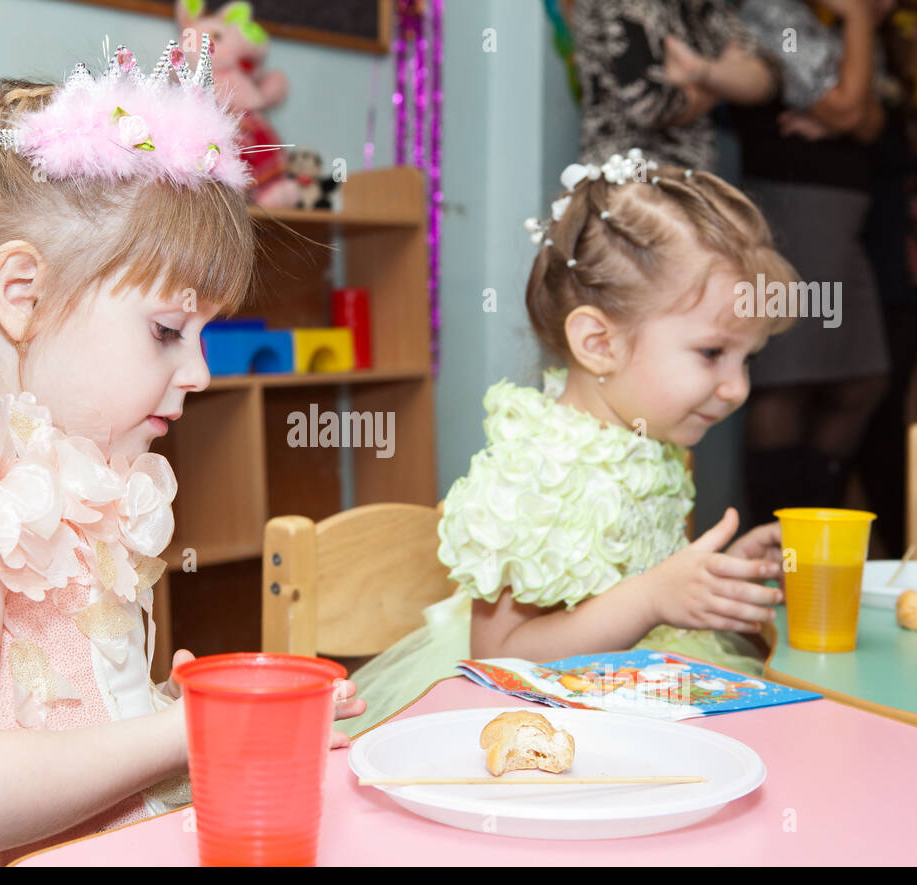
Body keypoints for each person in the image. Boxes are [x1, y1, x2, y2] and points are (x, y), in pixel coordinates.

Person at [0, 37, 362, 866]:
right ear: (21, 296)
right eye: (168, 331)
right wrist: (177, 736)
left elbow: (63, 723)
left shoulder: (77, 485)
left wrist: (169, 710)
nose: (199, 371)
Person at [339, 151, 796, 736]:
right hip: (539, 721)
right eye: (712, 353)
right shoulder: (535, 471)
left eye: (747, 358)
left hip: (639, 696)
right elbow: (498, 657)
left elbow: (628, 578)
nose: (737, 388)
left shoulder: (650, 442)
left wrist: (711, 577)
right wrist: (653, 600)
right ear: (599, 344)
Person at [721, 0, 892, 524]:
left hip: (841, 219)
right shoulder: (770, 10)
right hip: (796, 207)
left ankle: (811, 533)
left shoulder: (827, 18)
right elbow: (845, 108)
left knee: (862, 377)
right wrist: (861, 20)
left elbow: (870, 119)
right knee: (788, 377)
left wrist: (849, 109)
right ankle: (781, 545)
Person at [562, 0, 776, 173]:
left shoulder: (705, 7)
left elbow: (767, 79)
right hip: (629, 176)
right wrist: (723, 78)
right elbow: (651, 107)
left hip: (693, 178)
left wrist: (701, 71)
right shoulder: (623, 5)